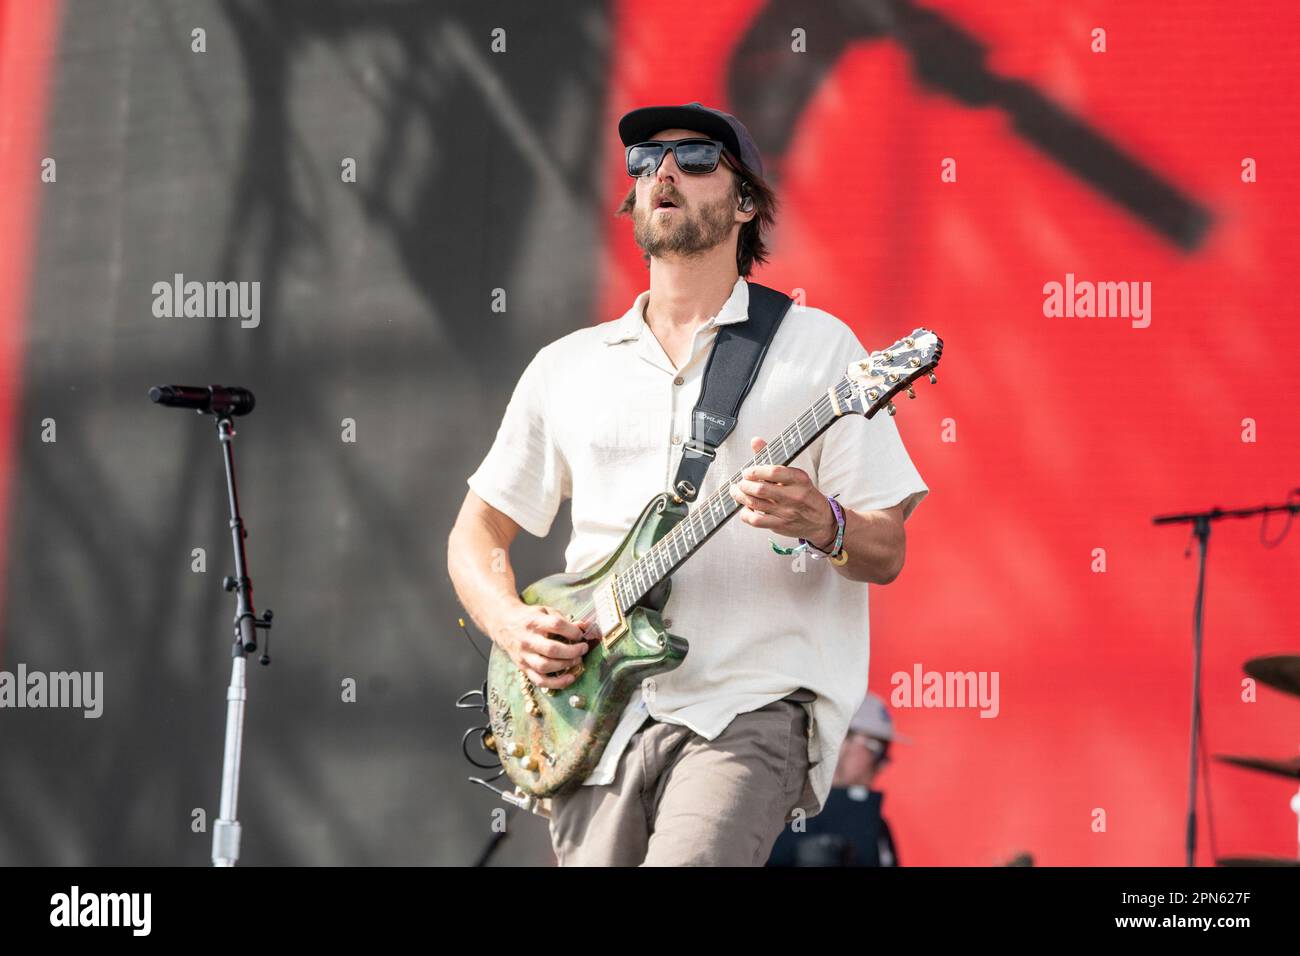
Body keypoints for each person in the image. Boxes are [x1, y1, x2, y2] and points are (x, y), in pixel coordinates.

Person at [447, 101, 929, 866]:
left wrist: (824, 521)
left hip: (747, 706)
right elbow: (477, 532)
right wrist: (512, 626)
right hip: (593, 719)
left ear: (746, 204)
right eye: (645, 162)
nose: (663, 171)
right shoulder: (568, 366)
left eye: (697, 157)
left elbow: (887, 548)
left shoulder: (819, 350)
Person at [768, 692, 906, 866]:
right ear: (840, 740)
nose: (883, 764)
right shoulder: (779, 812)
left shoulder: (875, 825)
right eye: (877, 750)